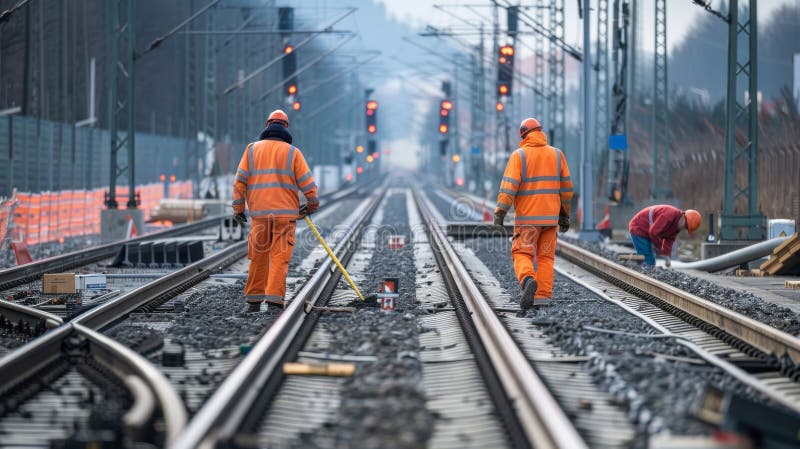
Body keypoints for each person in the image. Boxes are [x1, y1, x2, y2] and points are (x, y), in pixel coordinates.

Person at [232, 109, 319, 312]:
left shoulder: (251, 150)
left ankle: (253, 302)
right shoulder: (293, 153)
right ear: (286, 127)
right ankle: (274, 302)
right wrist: (312, 205)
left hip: (260, 217)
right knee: (280, 258)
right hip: (285, 218)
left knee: (258, 257)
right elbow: (308, 185)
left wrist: (238, 208)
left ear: (267, 125)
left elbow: (239, 182)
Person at [494, 118, 574, 311]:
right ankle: (542, 297)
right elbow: (567, 189)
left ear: (523, 135)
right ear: (540, 131)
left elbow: (508, 187)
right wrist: (564, 215)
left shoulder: (519, 155)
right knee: (546, 257)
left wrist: (500, 213)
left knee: (522, 253)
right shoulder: (557, 155)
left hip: (528, 220)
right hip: (550, 220)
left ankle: (528, 279)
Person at [628, 205, 701, 266]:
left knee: (648, 257)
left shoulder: (676, 227)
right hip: (638, 227)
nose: (683, 228)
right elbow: (653, 232)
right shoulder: (668, 215)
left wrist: (667, 257)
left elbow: (669, 241)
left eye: (686, 228)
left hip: (646, 230)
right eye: (685, 226)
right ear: (684, 216)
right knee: (649, 261)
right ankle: (642, 274)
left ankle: (637, 263)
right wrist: (659, 247)